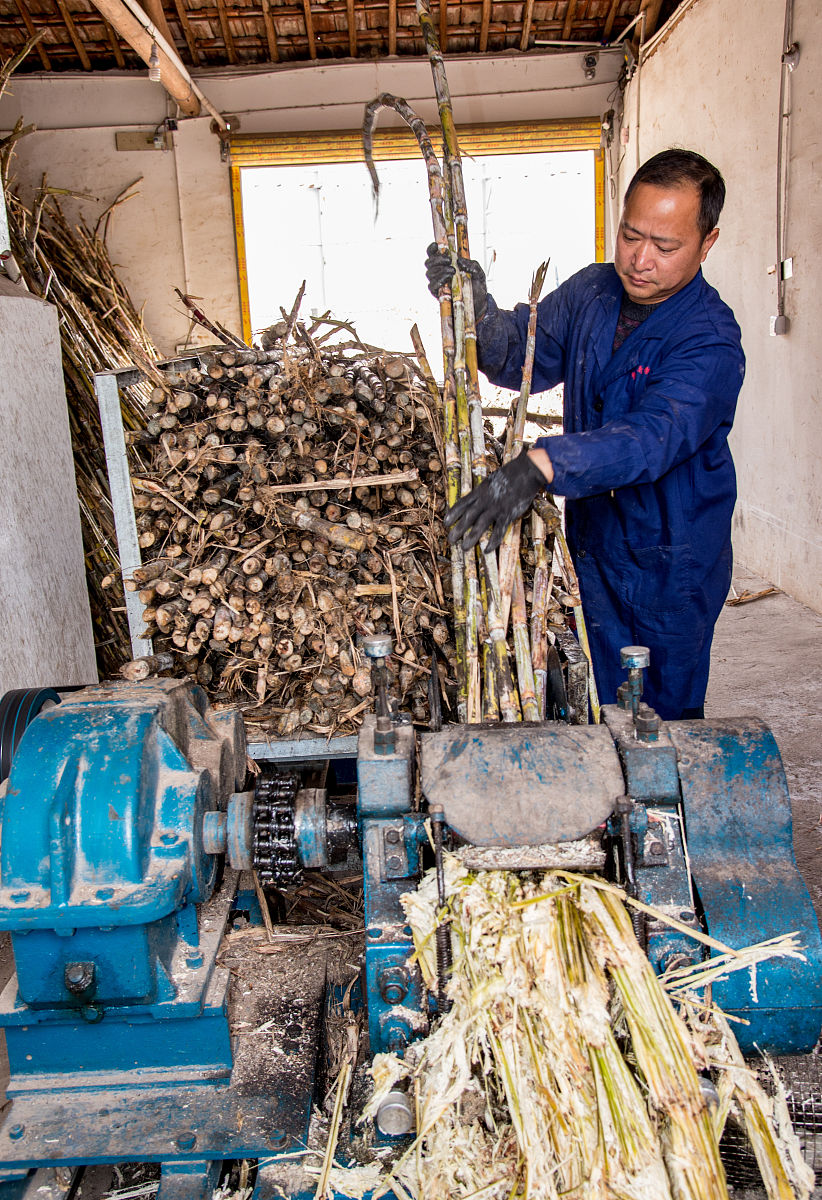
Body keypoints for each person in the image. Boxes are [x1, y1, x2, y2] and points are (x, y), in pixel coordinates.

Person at [425, 148, 745, 721]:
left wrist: (541, 465)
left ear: (707, 243)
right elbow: (521, 354)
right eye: (630, 236)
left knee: (656, 721)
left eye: (665, 247)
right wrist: (477, 308)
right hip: (593, 546)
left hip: (671, 563)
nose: (640, 260)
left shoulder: (711, 340)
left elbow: (651, 438)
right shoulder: (593, 291)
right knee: (592, 703)